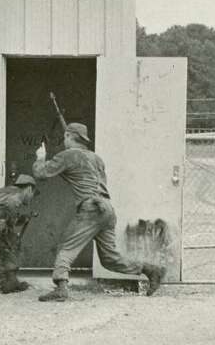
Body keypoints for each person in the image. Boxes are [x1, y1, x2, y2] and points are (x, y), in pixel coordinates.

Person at [32, 122, 164, 300]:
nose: (64, 141)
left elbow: (41, 174)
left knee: (66, 247)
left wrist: (41, 157)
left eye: (65, 137)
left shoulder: (68, 155)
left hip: (90, 209)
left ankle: (61, 288)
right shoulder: (96, 158)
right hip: (107, 208)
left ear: (70, 136)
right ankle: (150, 270)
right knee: (109, 259)